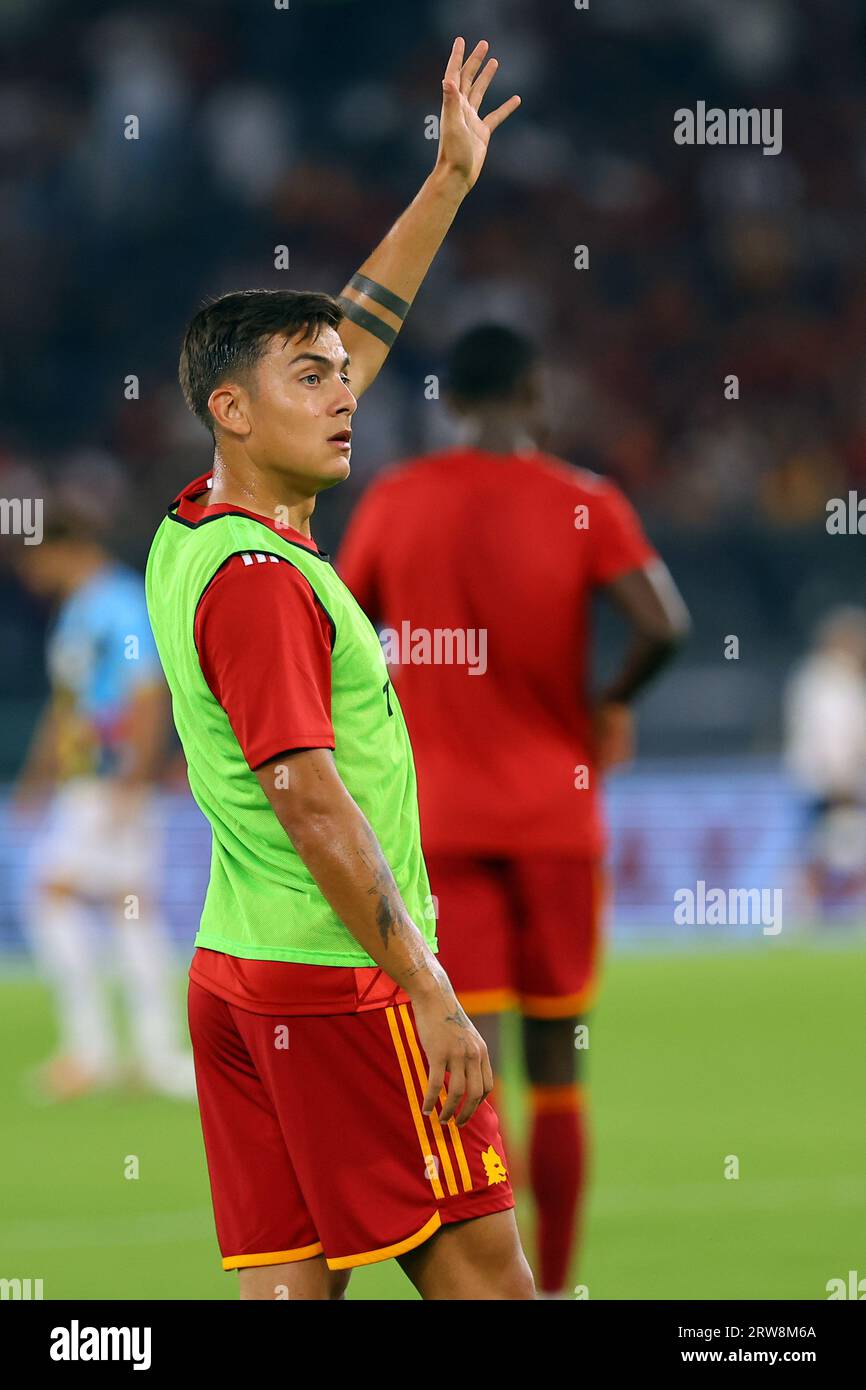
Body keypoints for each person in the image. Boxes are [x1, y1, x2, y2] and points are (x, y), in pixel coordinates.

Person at [145, 39, 534, 1299]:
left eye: (342, 377)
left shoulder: (196, 527)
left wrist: (445, 185)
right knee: (486, 1279)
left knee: (285, 1284)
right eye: (308, 380)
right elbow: (309, 794)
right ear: (230, 410)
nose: (346, 394)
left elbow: (354, 327)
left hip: (236, 972)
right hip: (345, 983)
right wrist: (424, 985)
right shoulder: (266, 588)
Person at [338, 322, 690, 1296]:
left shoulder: (397, 500)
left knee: (466, 1062)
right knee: (558, 1062)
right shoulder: (585, 502)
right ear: (536, 393)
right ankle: (563, 1282)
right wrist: (607, 703)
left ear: (447, 401)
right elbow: (663, 623)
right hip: (555, 816)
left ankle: (494, 1285)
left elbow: (345, 636)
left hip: (439, 822)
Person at [13, 510, 193, 1101]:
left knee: (51, 896)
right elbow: (68, 705)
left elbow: (147, 687)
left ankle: (93, 1051)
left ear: (63, 548)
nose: (29, 573)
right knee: (130, 909)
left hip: (109, 780)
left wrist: (134, 779)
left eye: (33, 558)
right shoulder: (77, 611)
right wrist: (38, 778)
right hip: (86, 781)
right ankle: (158, 1052)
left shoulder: (115, 600)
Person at [784, 606, 866, 914]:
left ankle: (799, 911)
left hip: (819, 778)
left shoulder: (817, 676)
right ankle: (799, 912)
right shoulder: (831, 680)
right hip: (829, 781)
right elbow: (832, 734)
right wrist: (840, 778)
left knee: (822, 848)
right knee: (822, 850)